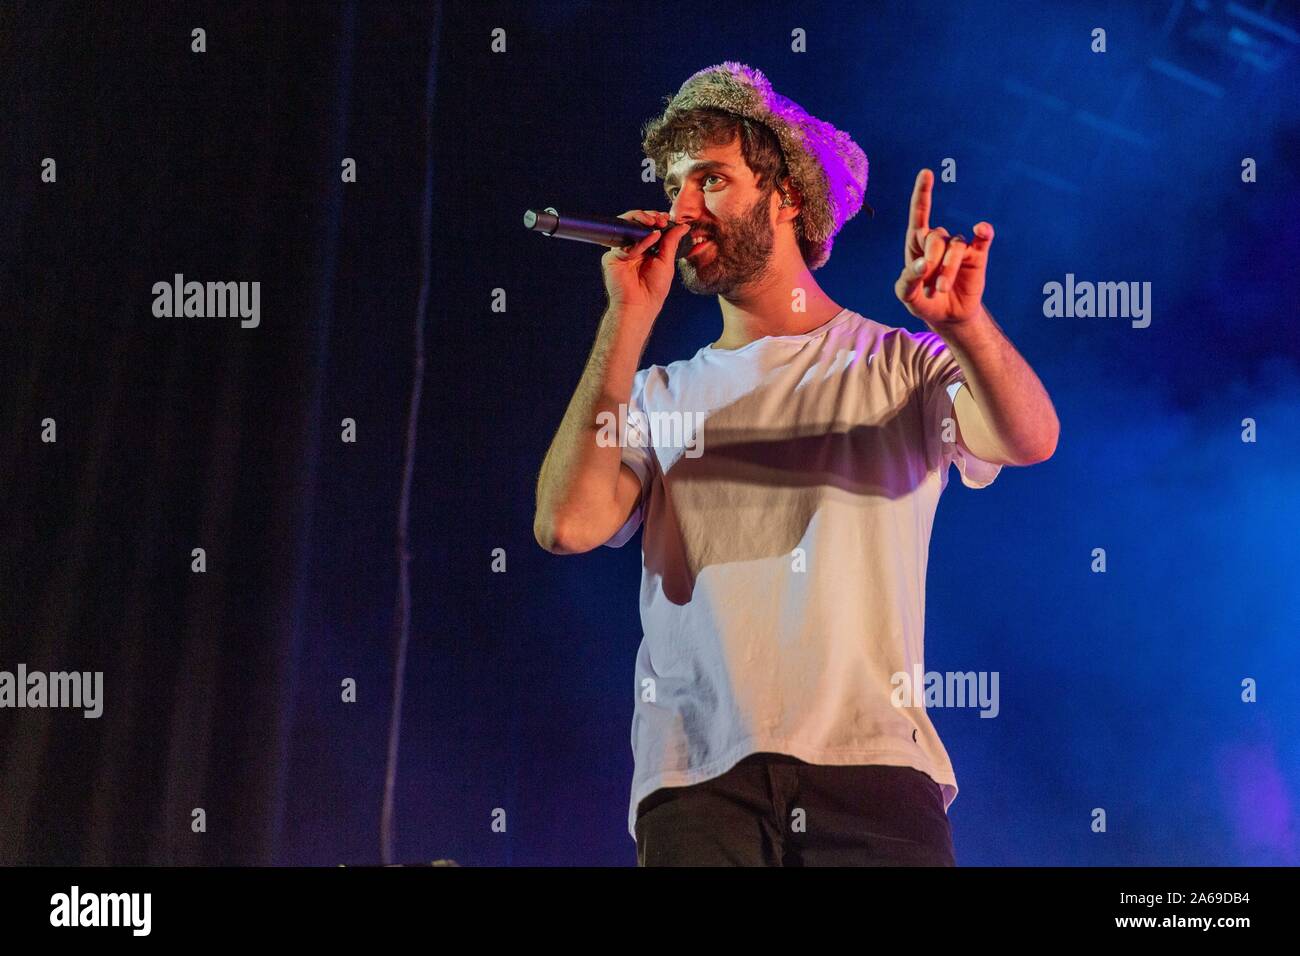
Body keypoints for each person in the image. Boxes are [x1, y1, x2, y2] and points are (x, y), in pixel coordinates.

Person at [533, 62, 1059, 866]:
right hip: (697, 782)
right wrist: (626, 321)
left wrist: (966, 326)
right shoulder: (656, 392)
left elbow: (1030, 438)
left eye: (710, 179)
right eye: (674, 185)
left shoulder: (900, 363)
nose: (682, 209)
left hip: (876, 771)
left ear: (786, 196)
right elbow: (567, 524)